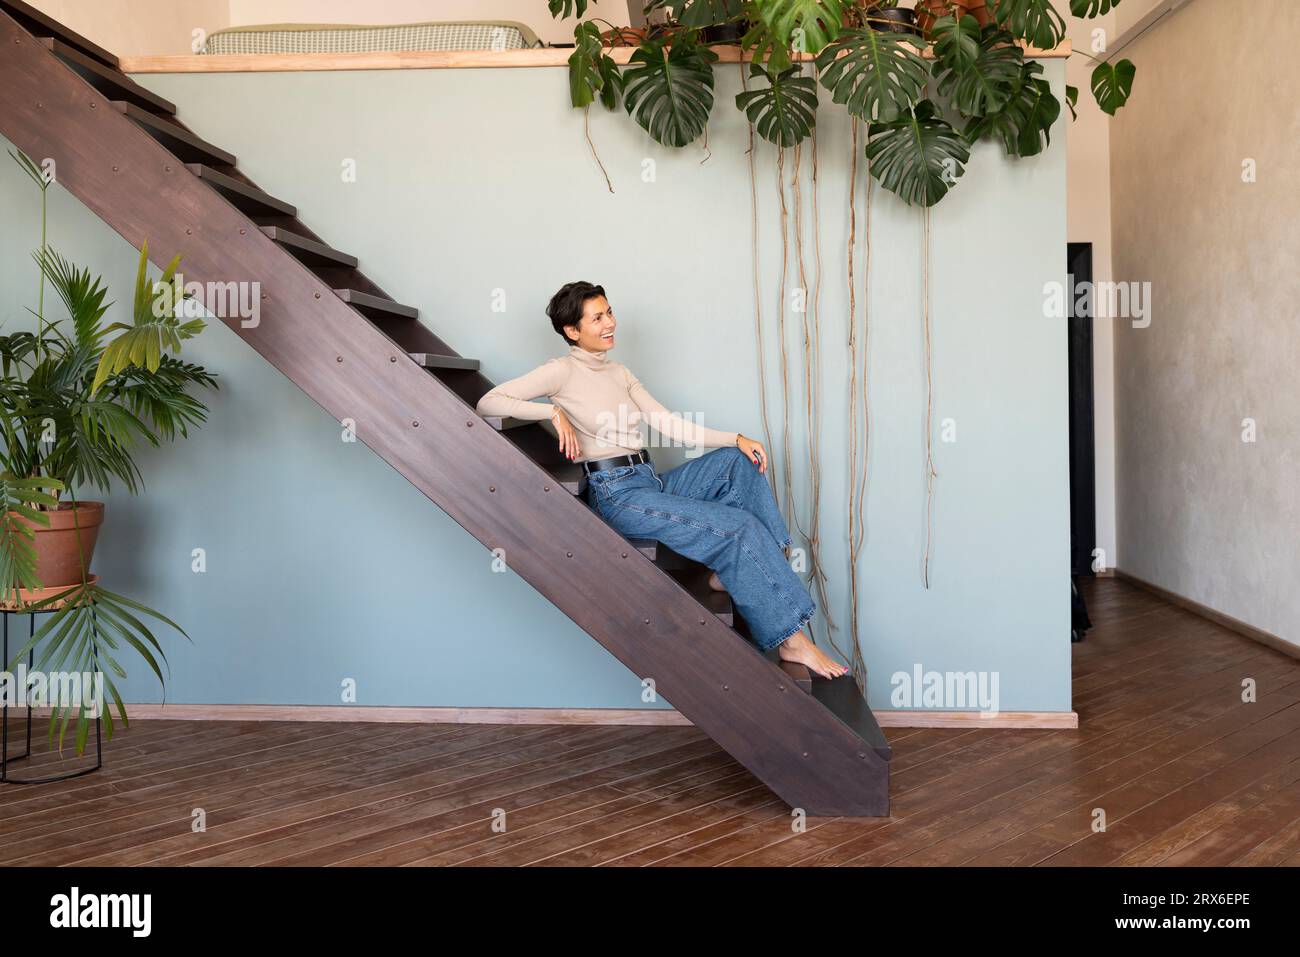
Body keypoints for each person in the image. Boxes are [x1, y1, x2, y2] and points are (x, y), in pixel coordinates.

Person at [476, 281, 846, 679]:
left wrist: (734, 438)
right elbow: (488, 402)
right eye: (597, 318)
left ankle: (747, 570)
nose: (610, 323)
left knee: (736, 461)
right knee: (738, 528)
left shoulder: (618, 372)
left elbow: (668, 423)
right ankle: (791, 640)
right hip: (616, 493)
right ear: (572, 331)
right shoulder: (561, 371)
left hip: (648, 480)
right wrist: (550, 413)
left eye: (609, 312)